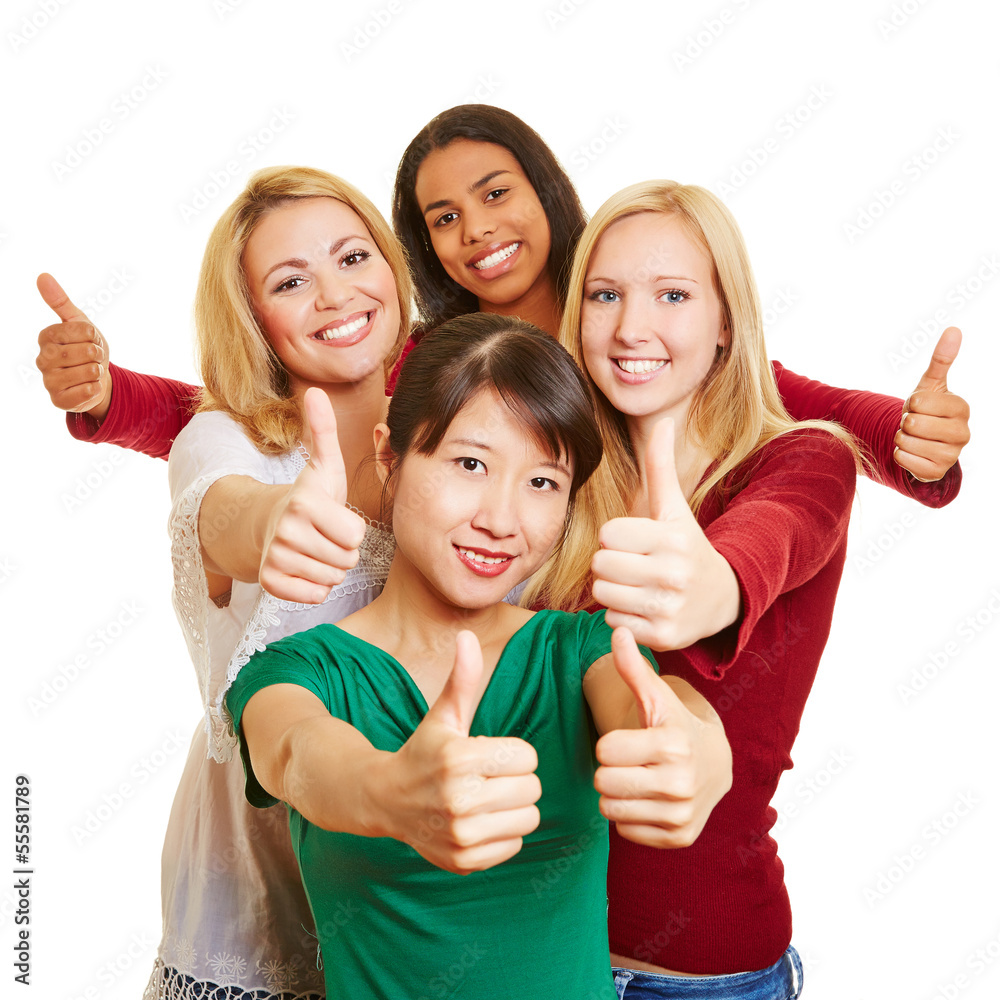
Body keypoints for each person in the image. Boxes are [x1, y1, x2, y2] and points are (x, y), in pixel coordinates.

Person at [36, 106, 969, 525]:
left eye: (494, 193)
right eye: (443, 218)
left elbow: (787, 399)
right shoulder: (433, 357)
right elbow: (262, 406)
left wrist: (914, 440)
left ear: (545, 190)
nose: (476, 231)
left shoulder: (627, 325)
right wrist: (105, 394)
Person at [223, 313, 734, 1000]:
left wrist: (705, 748)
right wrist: (391, 793)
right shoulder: (298, 672)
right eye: (470, 464)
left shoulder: (575, 650)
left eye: (543, 483)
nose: (501, 519)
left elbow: (655, 707)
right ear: (389, 457)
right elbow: (296, 753)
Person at [548, 179, 901, 996]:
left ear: (726, 325)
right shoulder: (557, 480)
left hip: (700, 977)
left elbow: (763, 545)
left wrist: (708, 586)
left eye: (672, 294)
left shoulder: (803, 460)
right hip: (537, 958)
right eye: (606, 295)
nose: (632, 328)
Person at [86, 164, 413, 999]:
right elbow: (223, 511)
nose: (336, 296)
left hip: (408, 917)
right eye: (291, 281)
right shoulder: (225, 439)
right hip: (254, 914)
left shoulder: (447, 437)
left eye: (352, 258)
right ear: (254, 318)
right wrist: (275, 527)